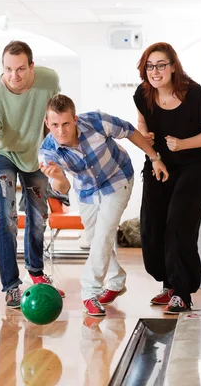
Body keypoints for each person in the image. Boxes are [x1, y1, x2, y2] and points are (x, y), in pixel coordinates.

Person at [39, 94, 168, 316]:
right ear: (47, 124)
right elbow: (62, 188)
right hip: (86, 189)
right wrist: (59, 177)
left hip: (118, 177)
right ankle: (116, 282)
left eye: (66, 123)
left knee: (103, 235)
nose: (61, 131)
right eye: (55, 125)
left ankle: (90, 293)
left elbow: (129, 131)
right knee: (94, 238)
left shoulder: (97, 122)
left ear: (76, 119)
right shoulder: (48, 152)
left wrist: (155, 158)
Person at [134, 42, 201, 314]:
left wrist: (182, 144)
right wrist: (149, 145)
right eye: (150, 66)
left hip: (196, 163)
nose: (155, 71)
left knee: (179, 221)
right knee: (152, 224)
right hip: (160, 162)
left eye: (161, 65)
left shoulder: (194, 95)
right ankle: (168, 285)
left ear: (173, 67)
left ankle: (182, 292)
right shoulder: (143, 94)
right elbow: (141, 124)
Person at [0, 40, 63, 310]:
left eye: (20, 69)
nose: (13, 76)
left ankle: (36, 272)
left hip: (35, 152)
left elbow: (52, 119)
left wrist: (52, 152)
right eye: (8, 69)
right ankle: (11, 286)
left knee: (38, 216)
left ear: (31, 67)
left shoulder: (49, 80)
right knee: (8, 217)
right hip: (2, 153)